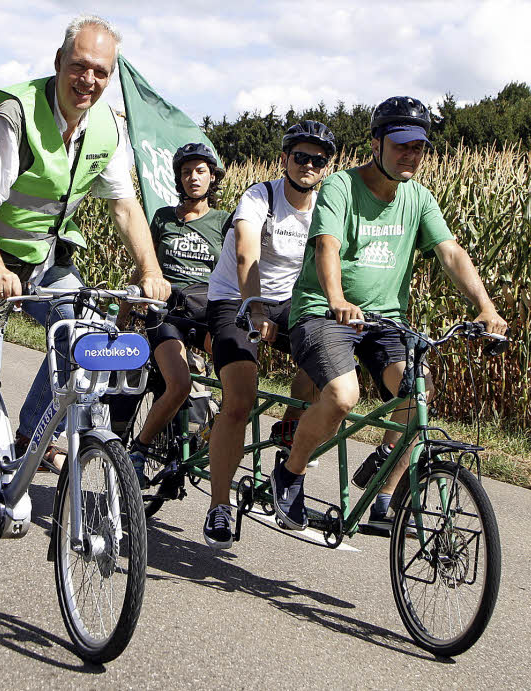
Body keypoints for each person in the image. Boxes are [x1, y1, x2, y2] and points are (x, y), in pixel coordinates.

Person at [0, 14, 170, 578]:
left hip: (46, 263)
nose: (89, 78)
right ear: (59, 63)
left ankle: (28, 438)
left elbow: (124, 205)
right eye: (79, 66)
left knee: (87, 339)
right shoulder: (17, 114)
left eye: (101, 71)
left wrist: (150, 271)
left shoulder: (108, 128)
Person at [271, 96, 508, 534]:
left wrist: (486, 306)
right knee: (344, 396)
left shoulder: (418, 197)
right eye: (400, 145)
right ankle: (290, 473)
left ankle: (384, 495)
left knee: (419, 393)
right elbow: (327, 246)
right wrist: (338, 298)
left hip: (384, 321)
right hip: (323, 314)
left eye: (418, 147)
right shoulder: (342, 186)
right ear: (376, 143)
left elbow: (450, 252)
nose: (409, 155)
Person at [199, 121, 334, 548]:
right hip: (235, 298)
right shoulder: (262, 196)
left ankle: (289, 432)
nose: (309, 165)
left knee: (329, 363)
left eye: (318, 159)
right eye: (301, 156)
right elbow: (245, 252)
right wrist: (253, 306)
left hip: (290, 304)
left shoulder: (324, 209)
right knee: (239, 401)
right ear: (285, 160)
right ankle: (219, 506)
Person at [123, 142, 228, 488]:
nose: (193, 177)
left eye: (200, 171)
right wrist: (124, 310)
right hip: (165, 313)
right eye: (186, 172)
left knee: (239, 383)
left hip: (206, 313)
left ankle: (209, 441)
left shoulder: (224, 223)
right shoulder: (163, 218)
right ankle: (138, 450)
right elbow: (144, 265)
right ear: (179, 179)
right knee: (179, 383)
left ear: (212, 177)